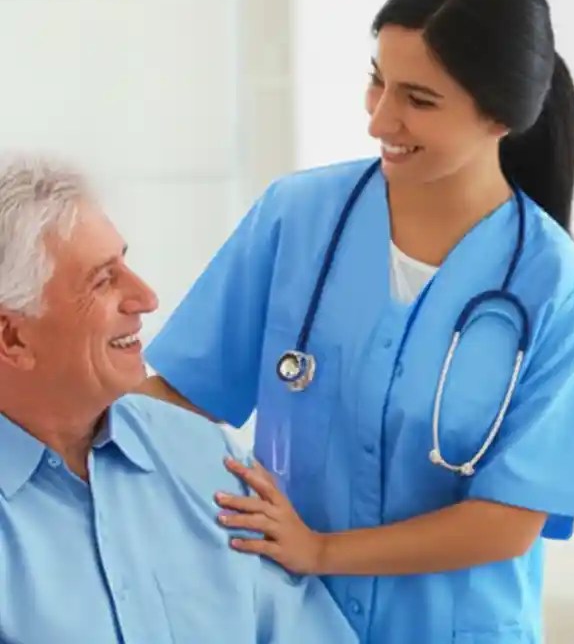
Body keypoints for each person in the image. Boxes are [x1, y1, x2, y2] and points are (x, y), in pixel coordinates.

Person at [138, 0, 574, 643]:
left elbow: (508, 522)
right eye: (376, 82)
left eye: (418, 100)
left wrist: (323, 551)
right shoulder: (294, 219)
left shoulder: (559, 288)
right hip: (287, 619)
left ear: (500, 116)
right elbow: (181, 396)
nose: (380, 119)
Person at [0, 154, 355, 644]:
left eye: (124, 262)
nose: (146, 298)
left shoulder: (208, 459)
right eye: (102, 280)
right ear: (12, 338)